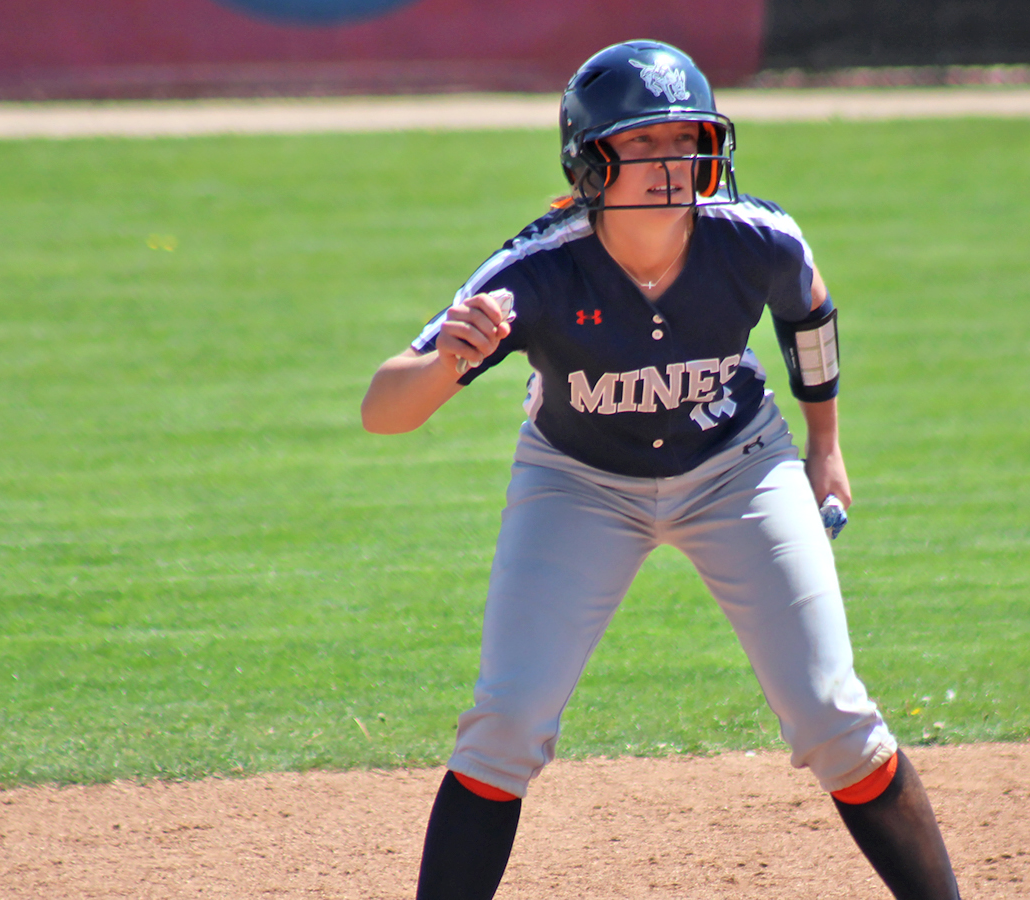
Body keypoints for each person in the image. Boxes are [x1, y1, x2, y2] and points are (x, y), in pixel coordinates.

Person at [361, 39, 961, 900]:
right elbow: (383, 409)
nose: (670, 162)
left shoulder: (755, 238)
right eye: (640, 142)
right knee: (506, 724)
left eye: (684, 139)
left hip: (739, 467)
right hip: (577, 483)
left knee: (834, 714)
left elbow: (810, 314)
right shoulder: (538, 268)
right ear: (589, 162)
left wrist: (825, 447)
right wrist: (448, 360)